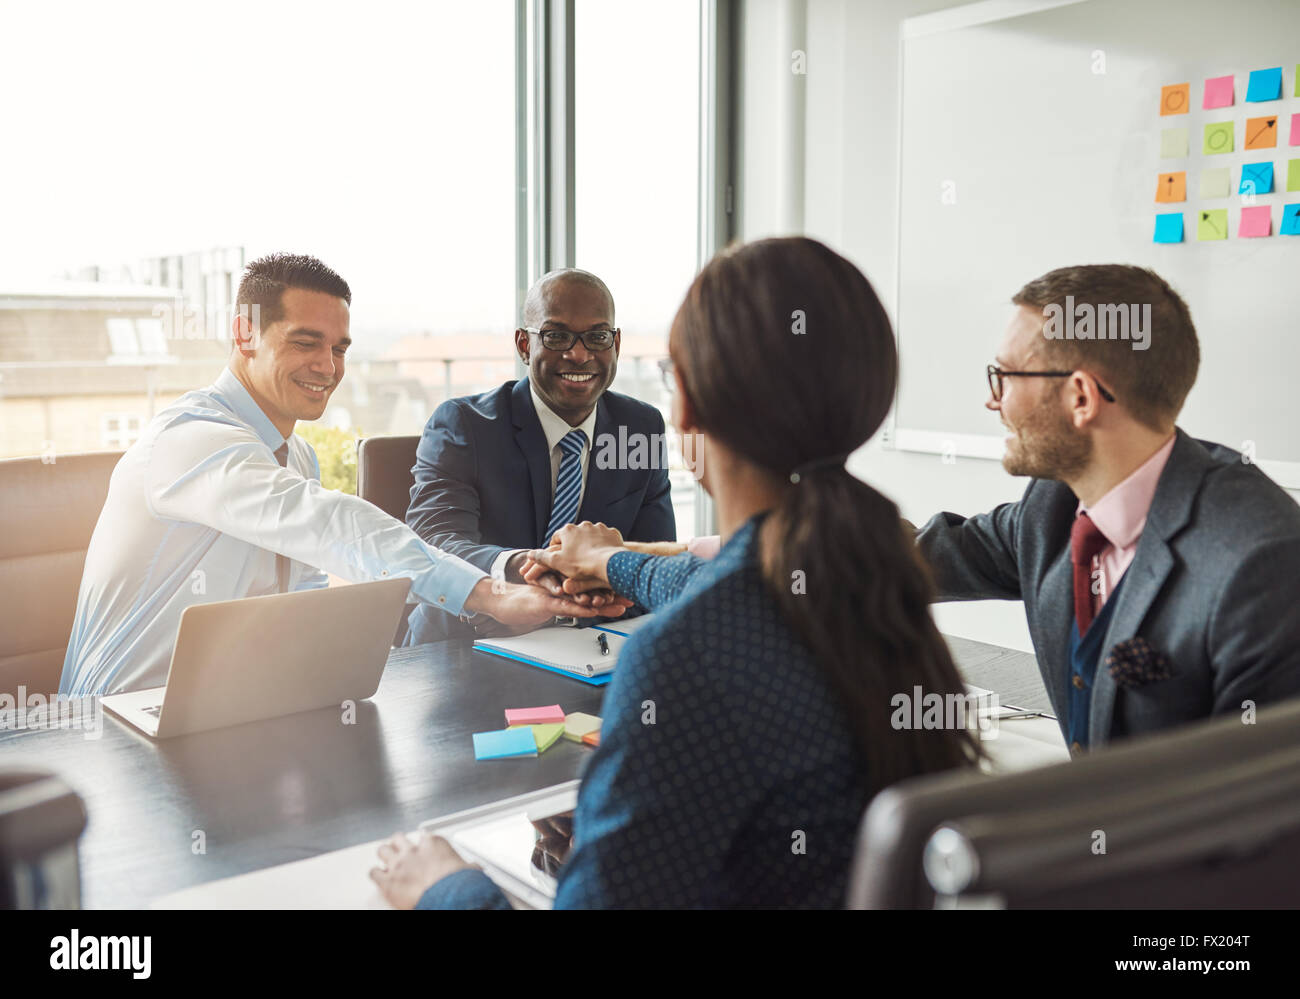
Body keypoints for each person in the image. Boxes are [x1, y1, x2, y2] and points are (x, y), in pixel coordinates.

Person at [370, 236, 982, 909]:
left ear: (685, 405)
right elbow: (698, 580)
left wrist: (443, 886)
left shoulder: (684, 659)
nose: (580, 354)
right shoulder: (876, 587)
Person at [521, 265, 1300, 752]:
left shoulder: (1259, 562)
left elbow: (1262, 832)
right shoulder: (1055, 510)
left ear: (1081, 397)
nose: (988, 399)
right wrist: (623, 555)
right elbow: (887, 554)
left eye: (1004, 376)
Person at [59, 254, 605, 698]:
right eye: (305, 342)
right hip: (118, 717)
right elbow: (329, 523)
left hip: (230, 707)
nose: (329, 366)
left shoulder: (295, 455)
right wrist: (488, 593)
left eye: (339, 347)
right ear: (244, 335)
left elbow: (306, 605)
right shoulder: (188, 439)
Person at [403, 268, 676, 643]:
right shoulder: (464, 425)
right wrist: (530, 567)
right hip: (465, 645)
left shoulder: (640, 427)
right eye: (557, 335)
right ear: (524, 344)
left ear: (615, 343)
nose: (579, 354)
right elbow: (434, 545)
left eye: (597, 337)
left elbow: (656, 564)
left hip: (591, 645)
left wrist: (599, 591)